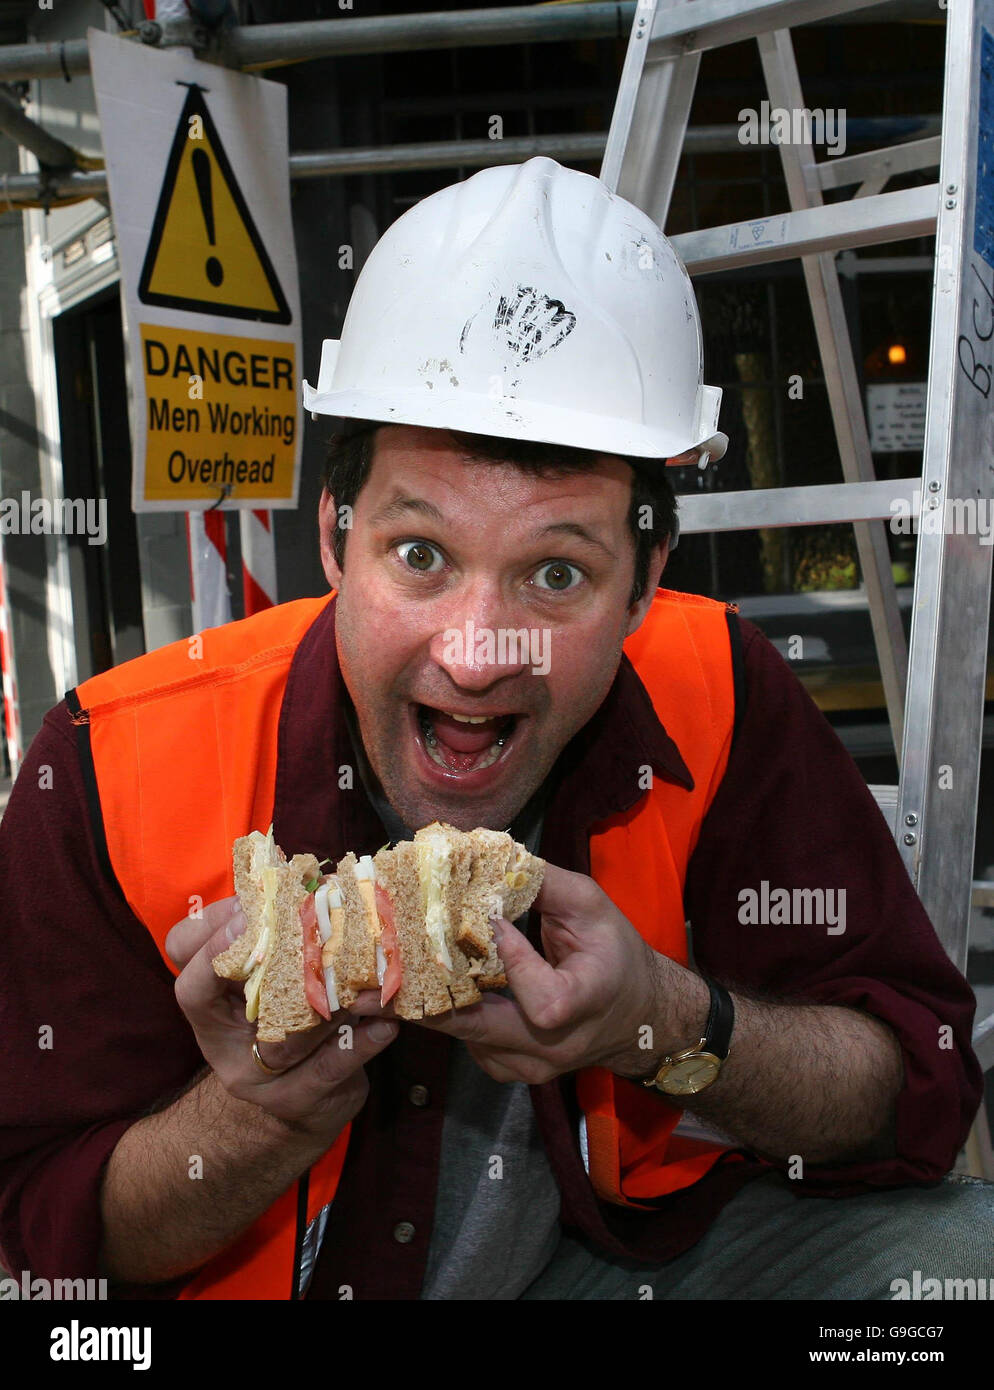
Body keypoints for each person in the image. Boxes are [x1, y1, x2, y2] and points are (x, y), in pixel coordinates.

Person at [0, 159, 990, 1302]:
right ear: (333, 539)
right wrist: (253, 1119)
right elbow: (36, 1241)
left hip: (602, 1272)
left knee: (962, 1263)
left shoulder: (717, 687)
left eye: (556, 572)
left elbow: (912, 1082)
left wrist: (661, 1021)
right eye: (419, 555)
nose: (477, 656)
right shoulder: (107, 761)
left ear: (645, 580)